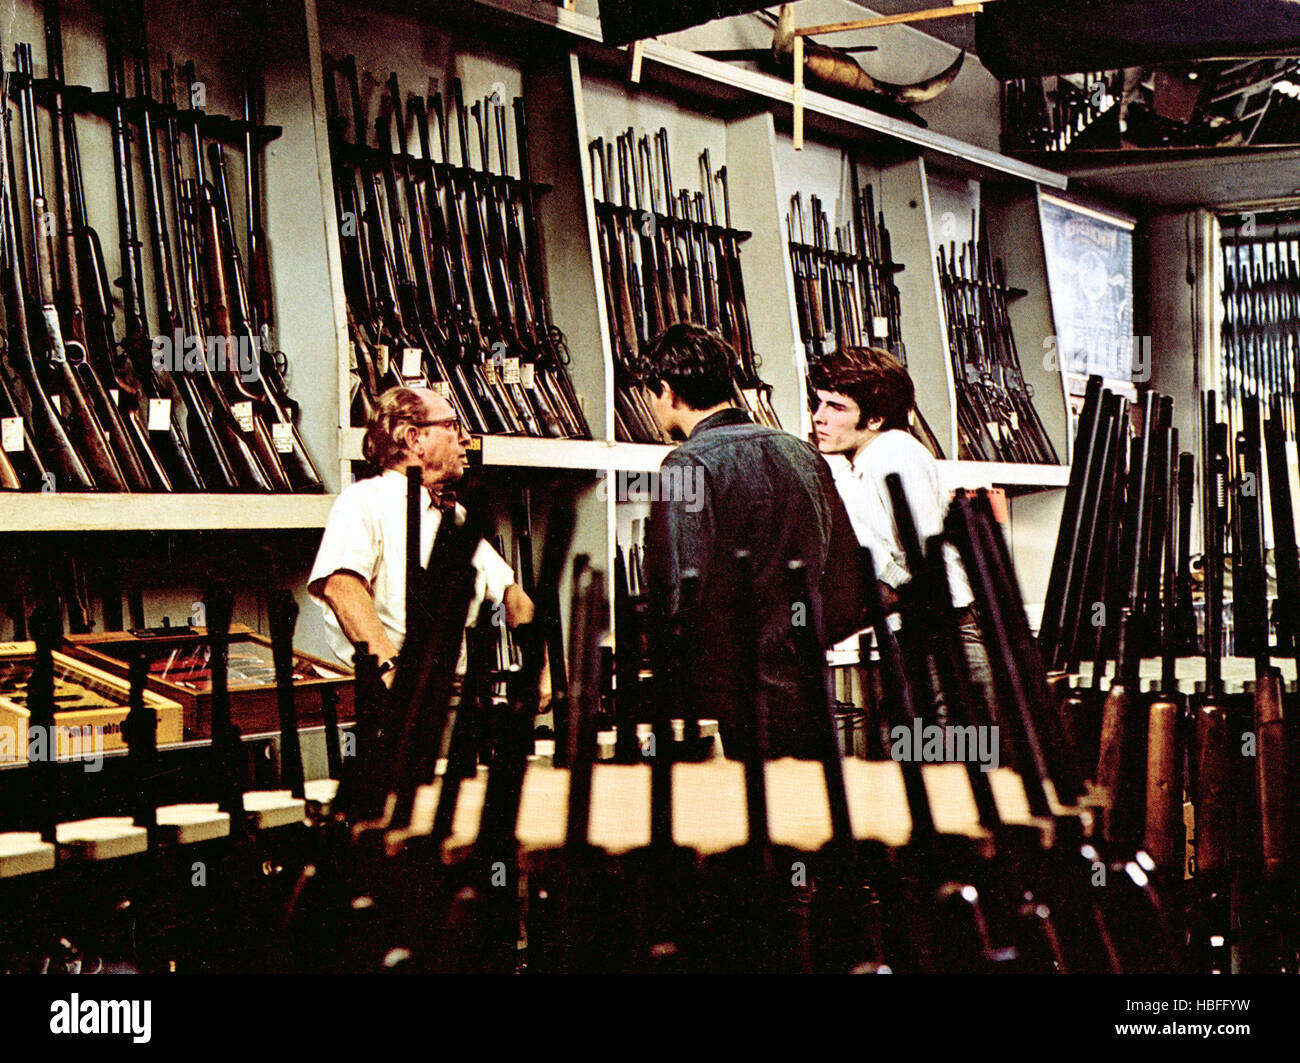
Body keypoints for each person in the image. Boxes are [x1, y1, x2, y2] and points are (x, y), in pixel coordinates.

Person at [639, 324, 863, 759]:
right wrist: (797, 640)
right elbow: (850, 585)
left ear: (665, 390)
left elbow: (679, 601)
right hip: (807, 692)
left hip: (728, 704)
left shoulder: (686, 463)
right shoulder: (804, 453)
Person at [809, 346, 994, 719]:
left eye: (836, 407)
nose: (819, 418)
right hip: (919, 635)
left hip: (944, 636)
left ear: (875, 418)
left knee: (955, 769)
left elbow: (921, 558)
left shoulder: (894, 452)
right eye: (818, 403)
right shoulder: (863, 462)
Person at [308, 386, 533, 686]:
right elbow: (343, 588)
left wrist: (542, 664)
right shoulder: (363, 501)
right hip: (389, 700)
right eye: (453, 425)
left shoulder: (452, 513)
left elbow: (510, 594)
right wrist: (391, 671)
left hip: (449, 695)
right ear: (415, 439)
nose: (465, 438)